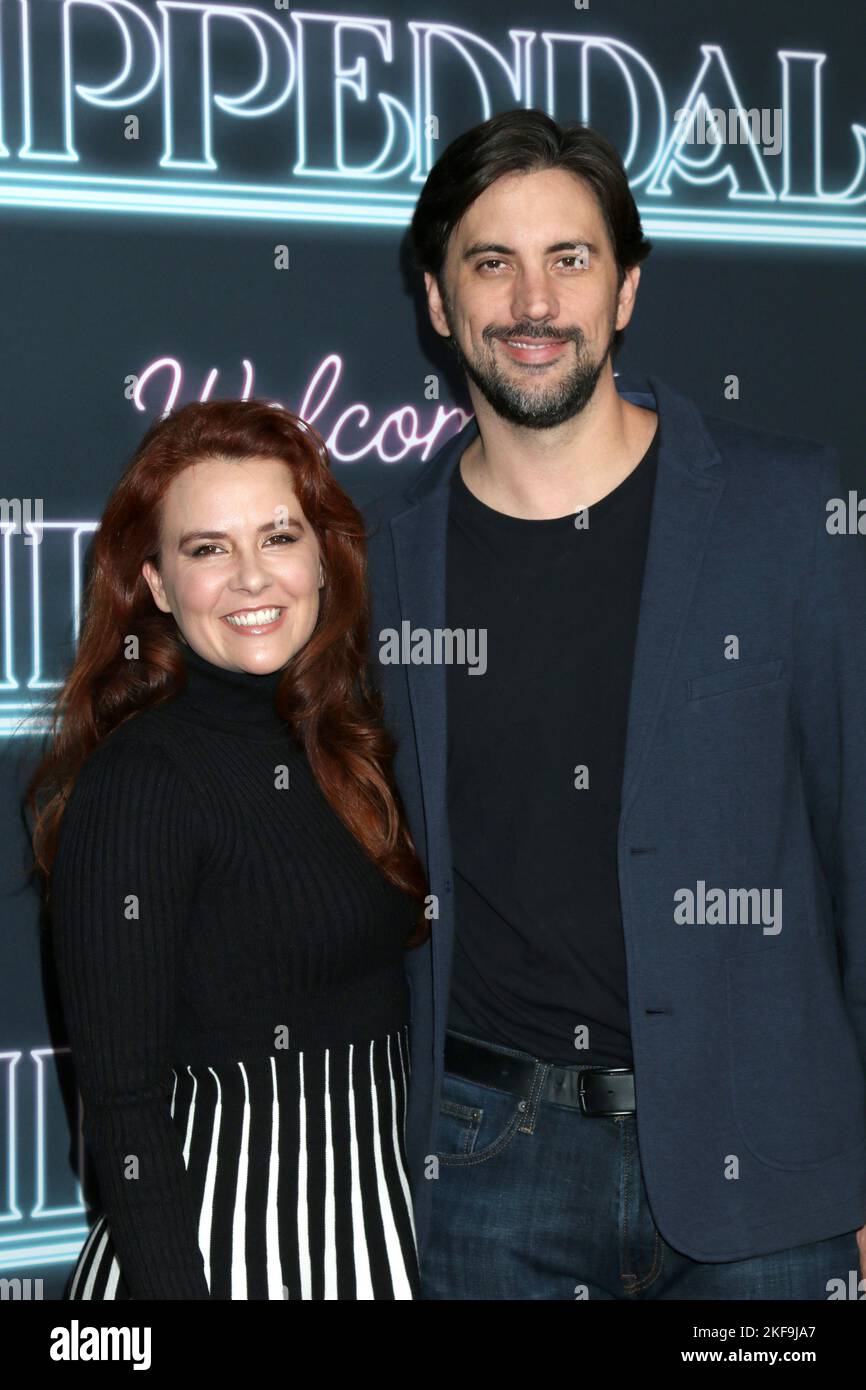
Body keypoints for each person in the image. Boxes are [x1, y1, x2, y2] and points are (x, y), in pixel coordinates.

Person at [361, 108, 866, 1299]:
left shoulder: (784, 511)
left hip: (768, 1179)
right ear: (439, 303)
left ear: (624, 290)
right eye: (491, 261)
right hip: (484, 1173)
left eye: (568, 259)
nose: (531, 303)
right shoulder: (385, 569)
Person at [27, 399, 428, 1299]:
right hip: (214, 1266)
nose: (252, 578)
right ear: (158, 586)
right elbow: (122, 1113)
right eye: (208, 549)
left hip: (383, 1250)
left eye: (278, 537)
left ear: (323, 558)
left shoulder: (350, 742)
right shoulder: (142, 780)